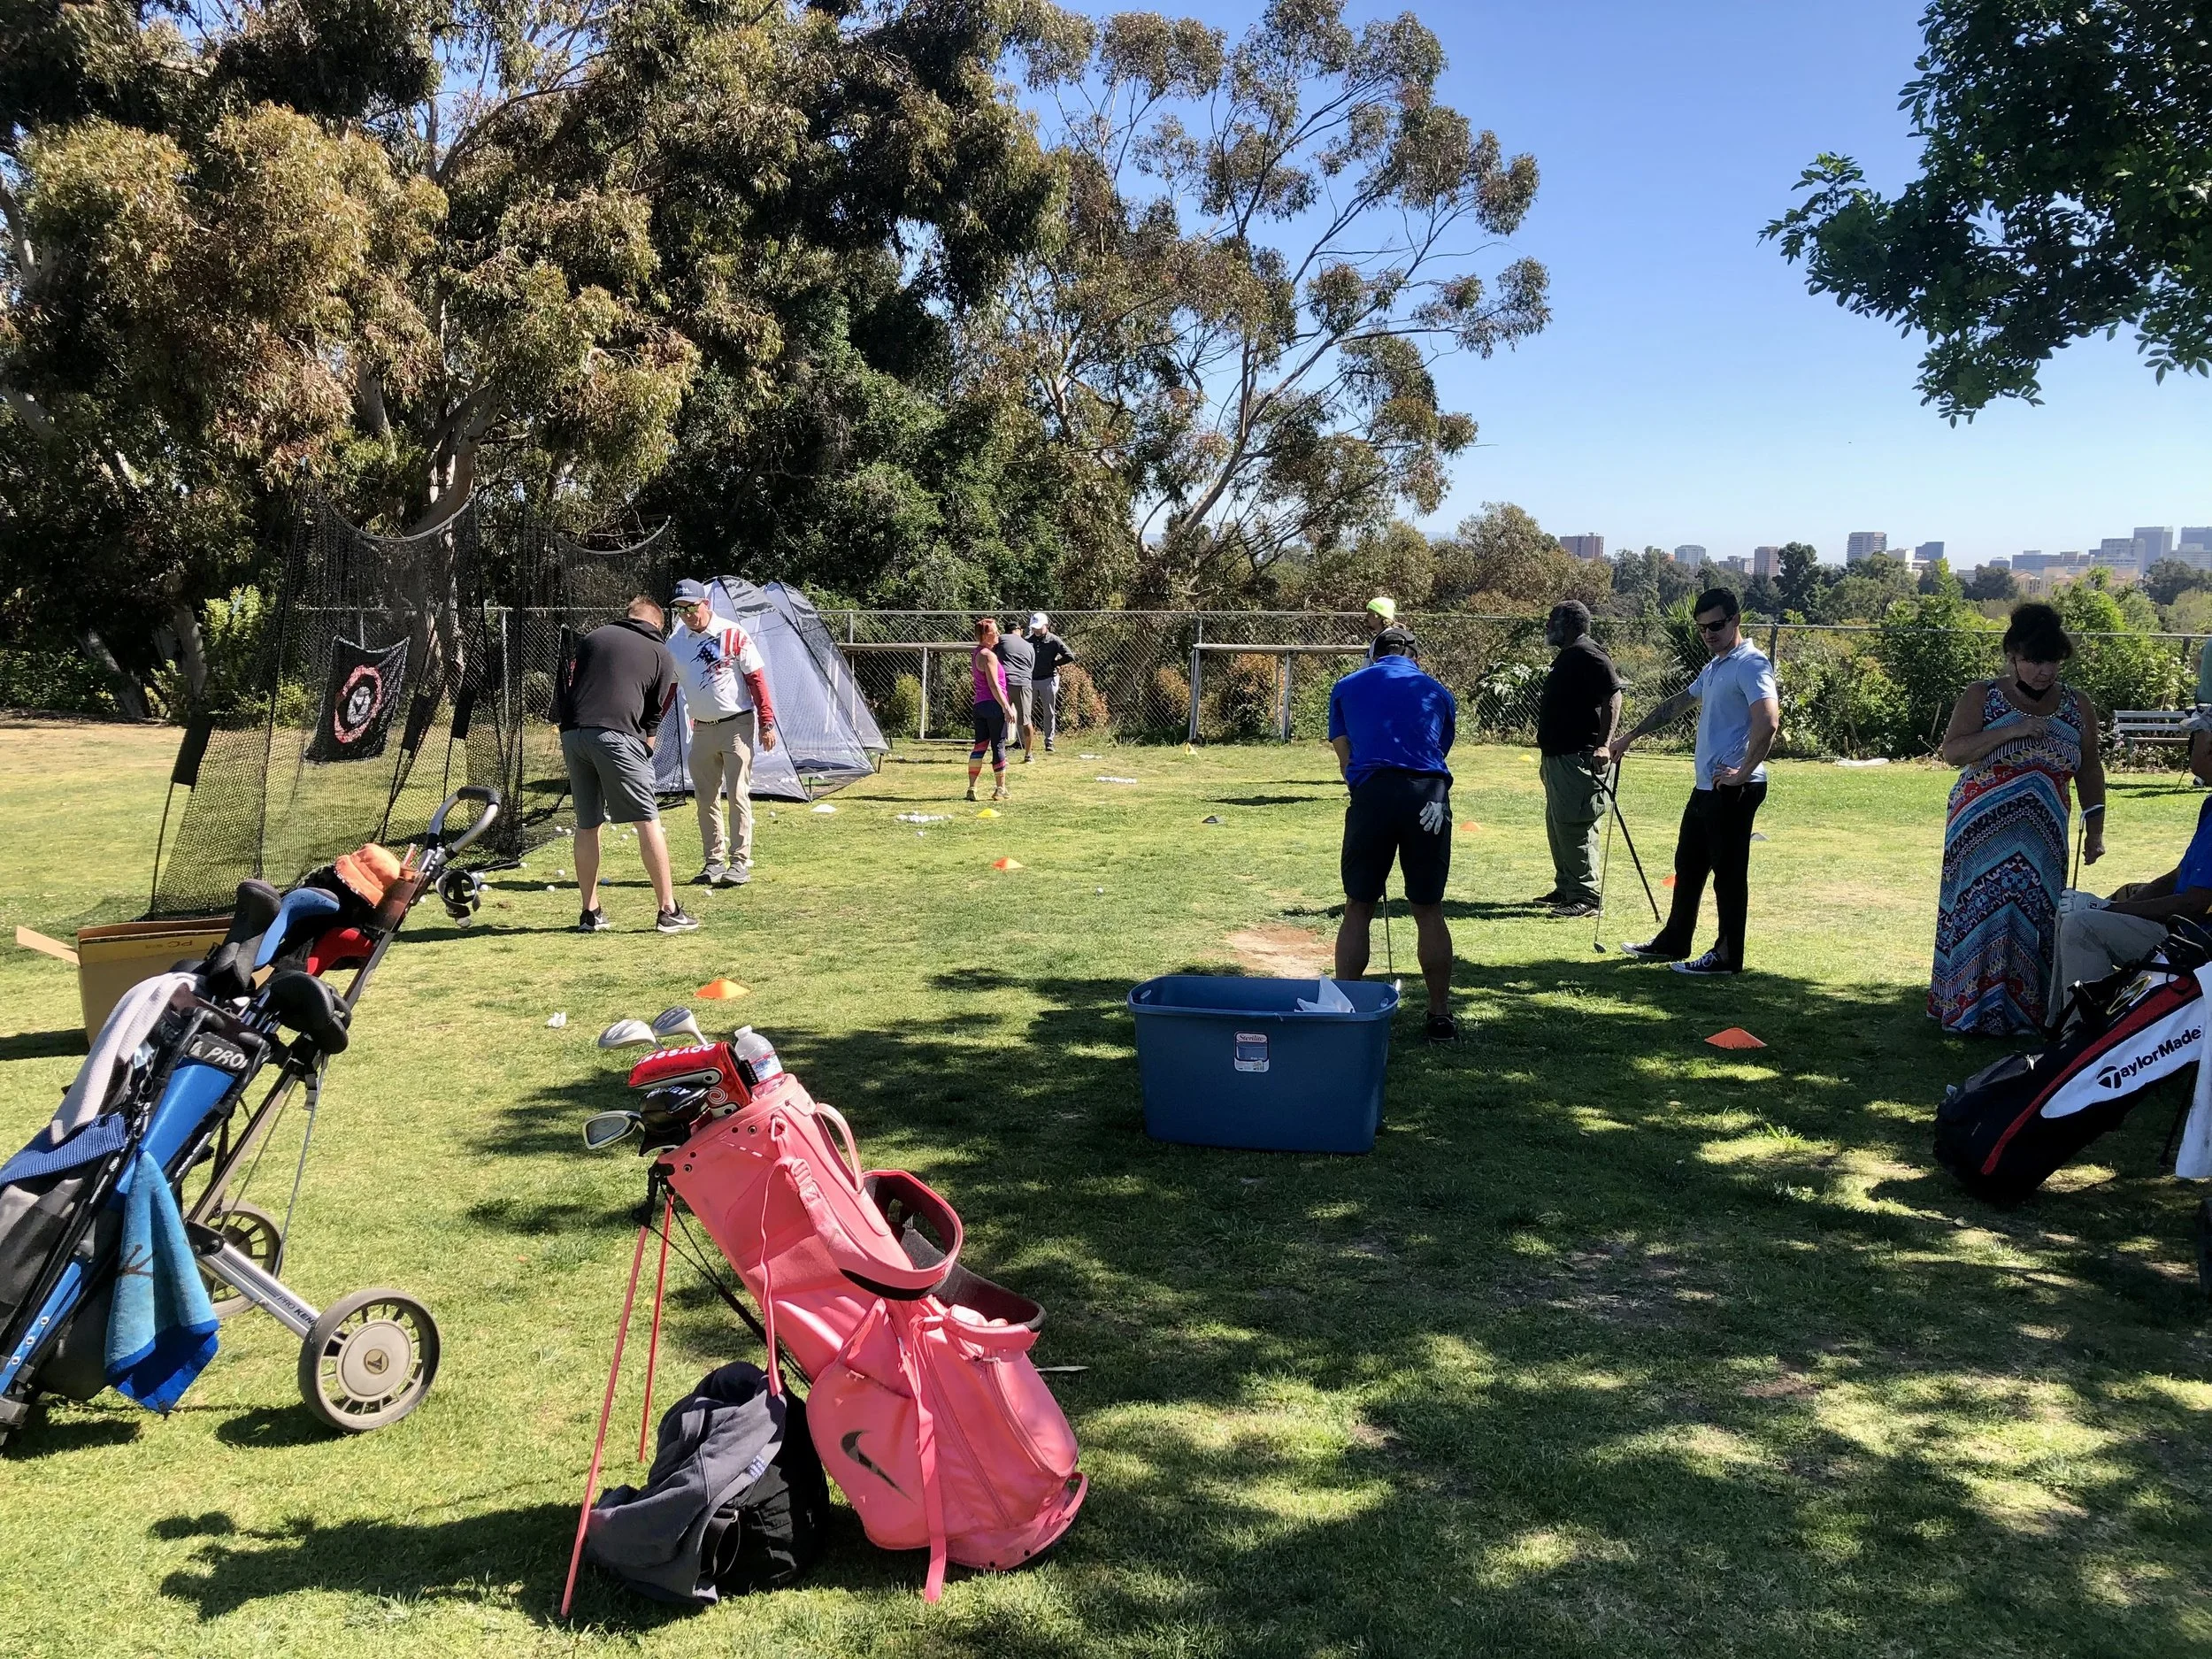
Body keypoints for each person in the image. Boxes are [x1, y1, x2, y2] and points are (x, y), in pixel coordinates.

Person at [1930, 602, 2105, 1033]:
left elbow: (2089, 768)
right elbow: (1952, 752)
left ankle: (2028, 1013)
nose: (2044, 671)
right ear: (2013, 657)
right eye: (2034, 661)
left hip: (2044, 834)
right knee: (1980, 912)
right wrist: (2013, 730)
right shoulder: (1981, 695)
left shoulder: (2077, 705)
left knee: (2038, 915)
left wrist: (2096, 830)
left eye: (2053, 661)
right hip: (1980, 831)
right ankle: (1969, 1008)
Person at [1606, 588, 1779, 974]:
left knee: (1729, 876)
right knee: (1688, 865)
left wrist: (1742, 774)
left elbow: (1768, 722)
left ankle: (1726, 955)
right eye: (1701, 628)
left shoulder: (1750, 664)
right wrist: (1629, 736)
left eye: (1716, 625)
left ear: (1736, 620)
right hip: (1708, 788)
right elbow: (1676, 705)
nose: (1708, 634)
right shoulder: (1716, 666)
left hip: (1735, 788)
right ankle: (1674, 941)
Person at [1326, 626, 1459, 1042]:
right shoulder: (1437, 691)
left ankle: (1347, 1005)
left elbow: (1344, 753)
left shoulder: (1346, 686)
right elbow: (1440, 747)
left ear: (1373, 653)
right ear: (1414, 655)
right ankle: (1439, 1012)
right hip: (1428, 798)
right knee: (1428, 908)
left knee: (1359, 906)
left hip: (1374, 794)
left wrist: (1366, 787)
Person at [554, 597, 698, 933]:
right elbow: (653, 713)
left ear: (629, 617)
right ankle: (668, 910)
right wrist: (646, 748)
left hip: (574, 735)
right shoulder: (661, 653)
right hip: (617, 736)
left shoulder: (592, 638)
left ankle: (590, 912)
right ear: (657, 625)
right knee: (647, 819)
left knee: (587, 823)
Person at [665, 579, 780, 889]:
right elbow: (669, 689)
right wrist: (651, 725)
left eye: (692, 607)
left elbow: (756, 679)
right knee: (705, 799)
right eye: (681, 610)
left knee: (738, 795)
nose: (688, 615)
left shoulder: (733, 634)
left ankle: (739, 862)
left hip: (736, 725)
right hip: (701, 728)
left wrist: (767, 722)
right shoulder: (676, 644)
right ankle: (713, 862)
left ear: (706, 604)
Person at [2054, 794, 2212, 995]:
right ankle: (2058, 1021)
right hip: (2178, 932)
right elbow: (2177, 876)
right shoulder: (2210, 806)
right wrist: (2111, 912)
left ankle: (2083, 1023)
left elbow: (2194, 904)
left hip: (2195, 945)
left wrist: (2110, 908)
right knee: (2067, 913)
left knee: (2081, 925)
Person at [1534, 601, 1624, 918]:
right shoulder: (1570, 655)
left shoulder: (1589, 653)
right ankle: (1567, 889)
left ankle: (1586, 897)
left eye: (1551, 620)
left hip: (1579, 757)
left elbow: (1613, 695)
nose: (1547, 627)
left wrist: (1604, 745)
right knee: (1559, 824)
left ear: (1569, 624)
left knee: (1575, 824)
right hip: (1559, 757)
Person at [967, 616, 1019, 802]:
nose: (997, 634)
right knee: (998, 744)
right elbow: (994, 685)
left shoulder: (976, 653)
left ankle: (972, 787)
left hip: (979, 705)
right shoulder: (989, 655)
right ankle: (1000, 788)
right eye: (993, 631)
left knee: (979, 746)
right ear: (984, 635)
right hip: (993, 705)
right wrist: (1006, 707)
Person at [1024, 613, 1077, 753]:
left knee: (1049, 712)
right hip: (1031, 680)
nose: (1036, 631)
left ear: (1046, 626)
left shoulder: (1054, 640)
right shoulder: (1028, 640)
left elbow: (1069, 655)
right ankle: (1023, 741)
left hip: (1048, 679)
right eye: (1034, 628)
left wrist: (1055, 663)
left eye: (1039, 628)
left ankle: (1049, 742)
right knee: (1026, 711)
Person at [992, 619, 1037, 763]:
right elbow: (1031, 667)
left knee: (1000, 718)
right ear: (1020, 631)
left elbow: (992, 657)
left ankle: (999, 754)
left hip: (1005, 683)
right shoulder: (1029, 646)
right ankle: (1029, 755)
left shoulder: (1001, 639)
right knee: (1026, 720)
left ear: (1006, 630)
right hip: (1024, 683)